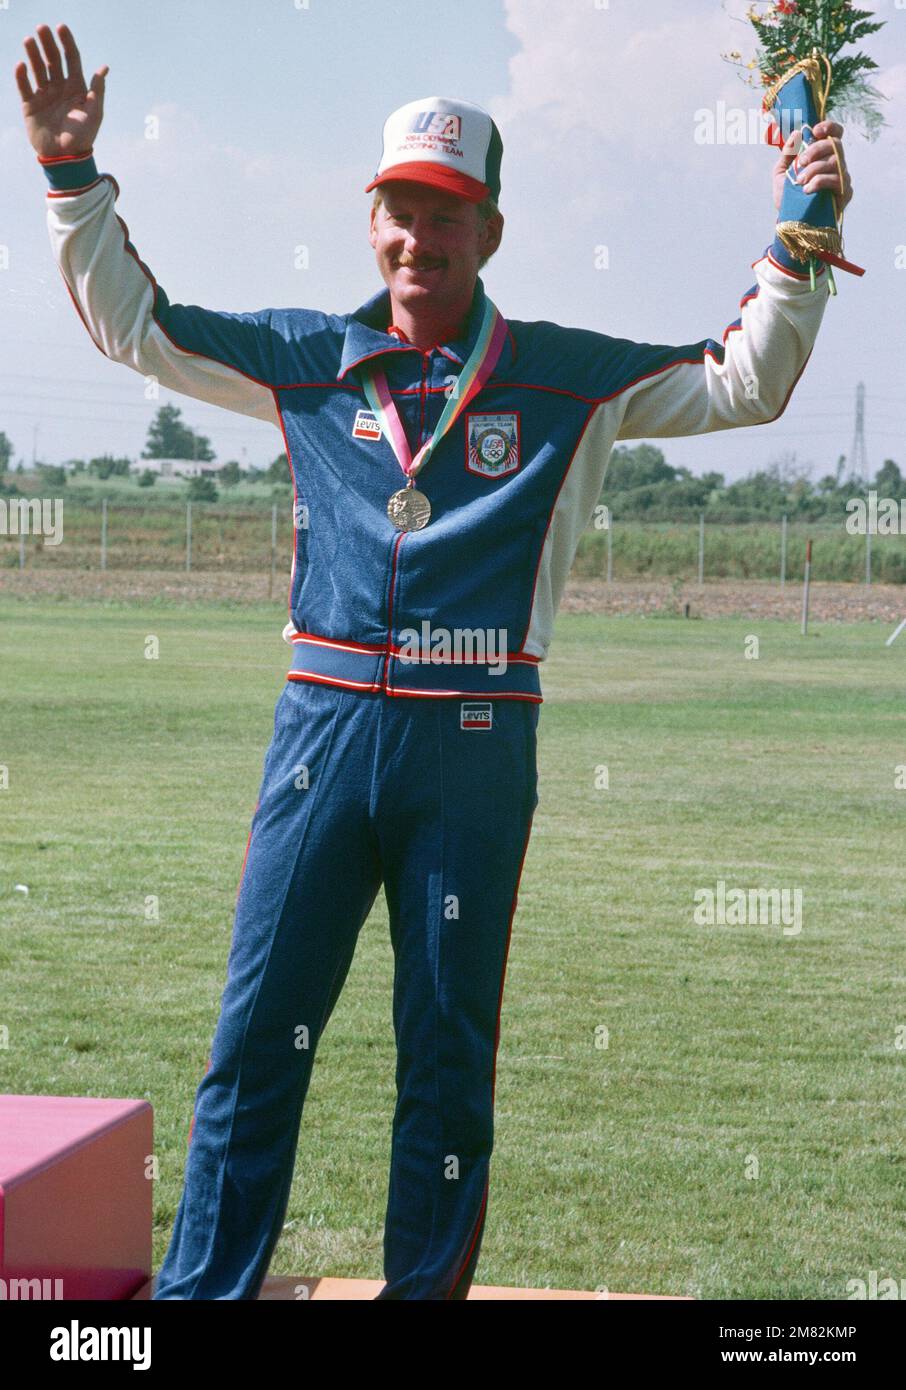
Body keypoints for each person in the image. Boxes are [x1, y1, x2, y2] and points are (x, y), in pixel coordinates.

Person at [17, 22, 853, 1301]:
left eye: (448, 213)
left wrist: (802, 227)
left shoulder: (565, 377)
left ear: (491, 230)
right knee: (256, 1038)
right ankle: (201, 1297)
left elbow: (744, 379)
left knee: (447, 1055)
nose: (422, 237)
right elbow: (141, 329)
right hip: (323, 733)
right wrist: (72, 176)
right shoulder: (306, 359)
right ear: (371, 222)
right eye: (402, 210)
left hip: (474, 741)